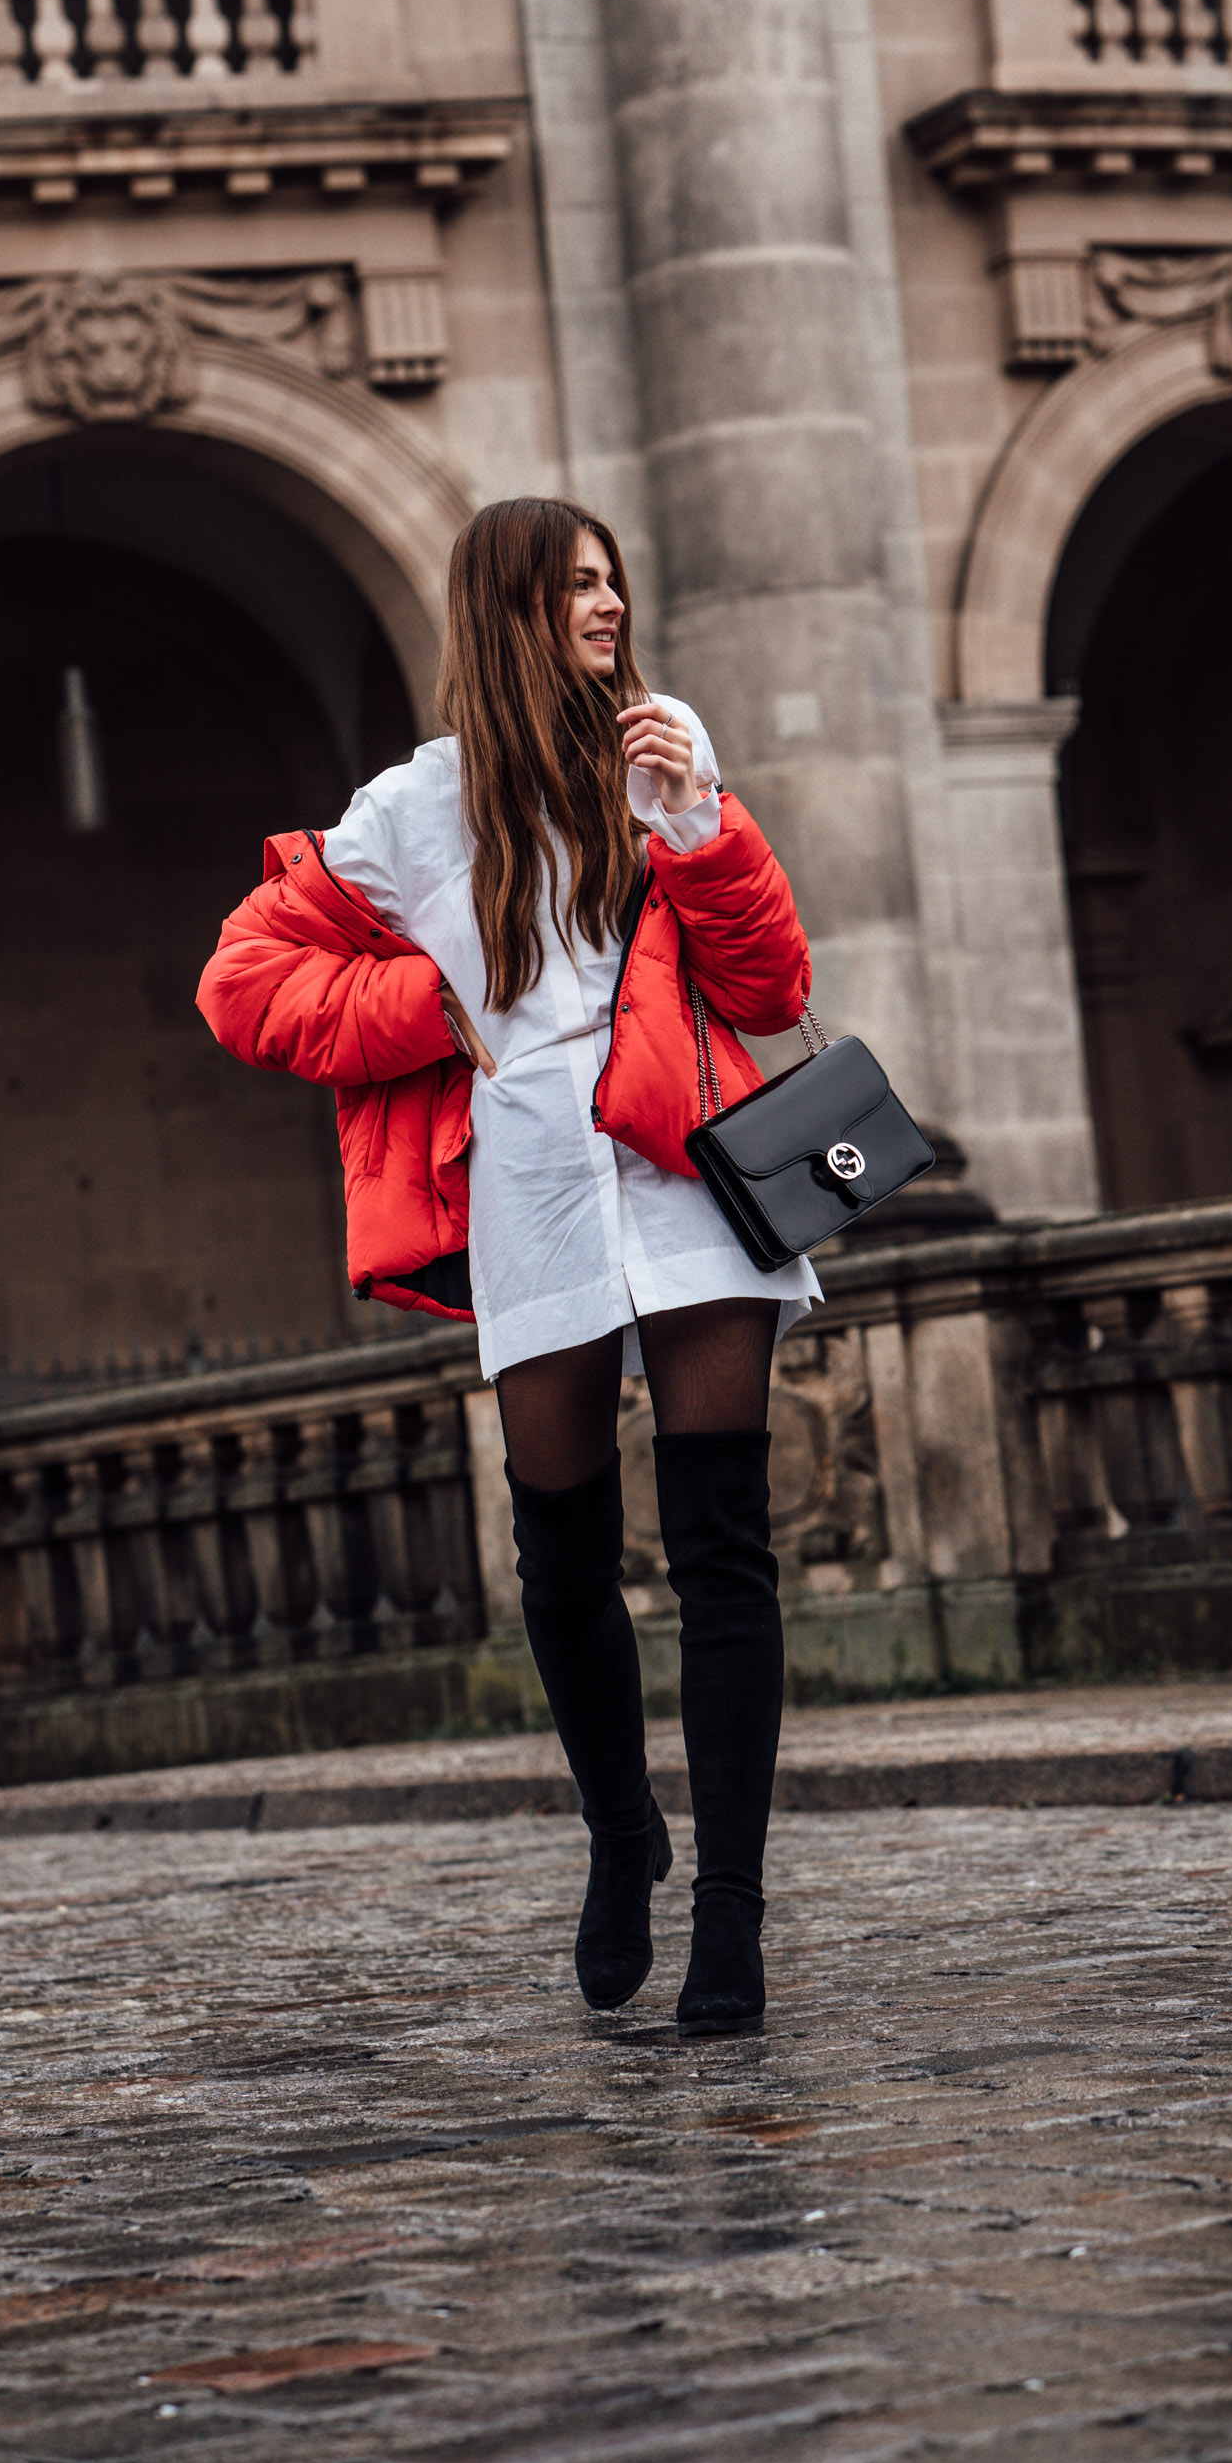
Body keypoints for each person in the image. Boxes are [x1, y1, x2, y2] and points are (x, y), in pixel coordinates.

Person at [197, 498, 819, 2027]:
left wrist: (698, 824)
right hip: (529, 1185)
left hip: (685, 1169)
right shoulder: (414, 809)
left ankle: (732, 1914)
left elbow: (772, 981)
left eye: (617, 578)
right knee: (561, 1558)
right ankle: (623, 1835)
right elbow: (242, 980)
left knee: (723, 1541)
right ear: (510, 606)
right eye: (578, 585)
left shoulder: (672, 750)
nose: (609, 605)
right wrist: (417, 1010)